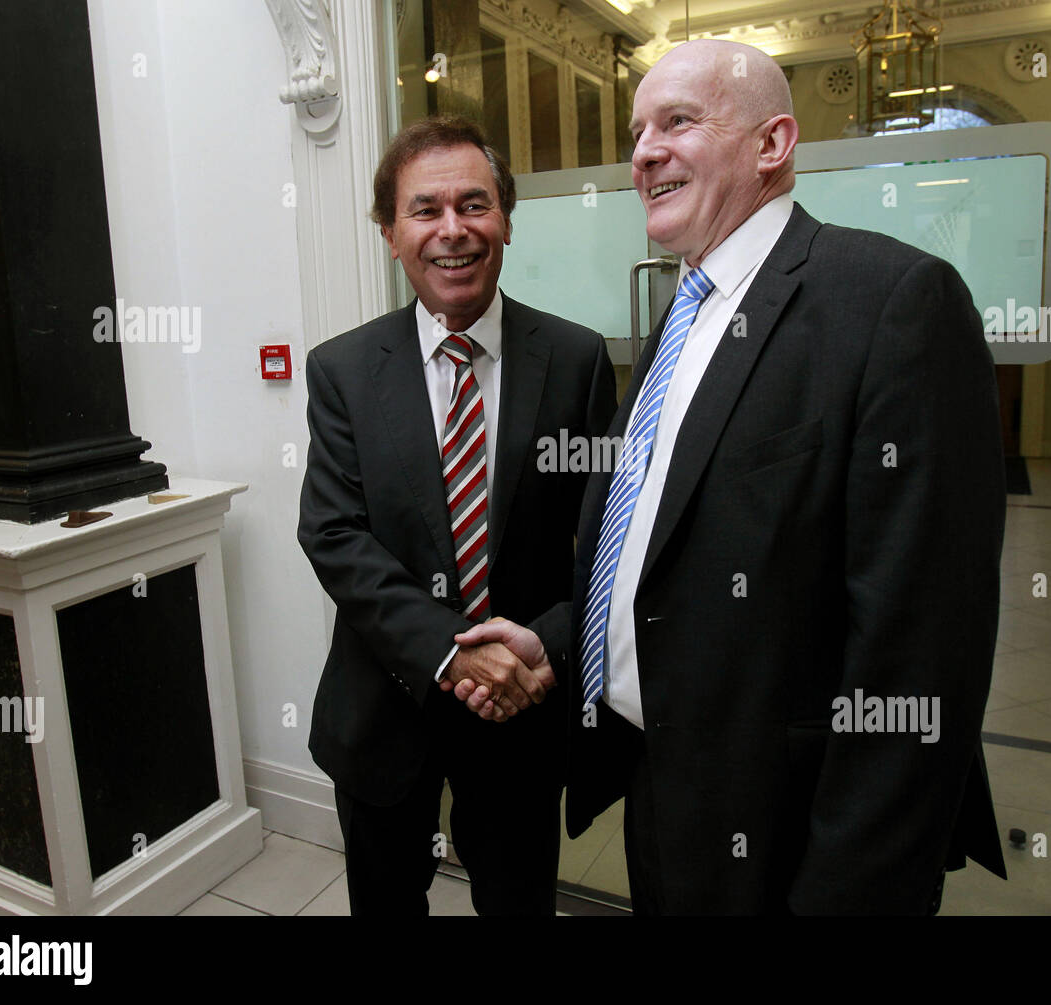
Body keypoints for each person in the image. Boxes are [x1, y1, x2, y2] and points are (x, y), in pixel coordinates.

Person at [454, 40, 1007, 914]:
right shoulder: (682, 310)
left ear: (772, 143)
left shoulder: (894, 301)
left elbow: (921, 653)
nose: (644, 151)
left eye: (678, 121)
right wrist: (561, 640)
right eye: (639, 131)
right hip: (661, 786)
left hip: (793, 828)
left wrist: (852, 889)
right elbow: (663, 547)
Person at [298, 116, 617, 915]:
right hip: (385, 707)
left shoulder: (577, 359)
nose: (453, 231)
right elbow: (333, 534)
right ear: (390, 233)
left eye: (474, 205)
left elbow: (606, 540)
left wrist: (542, 641)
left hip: (522, 708)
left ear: (506, 216)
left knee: (517, 902)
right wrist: (452, 653)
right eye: (425, 210)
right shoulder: (342, 370)